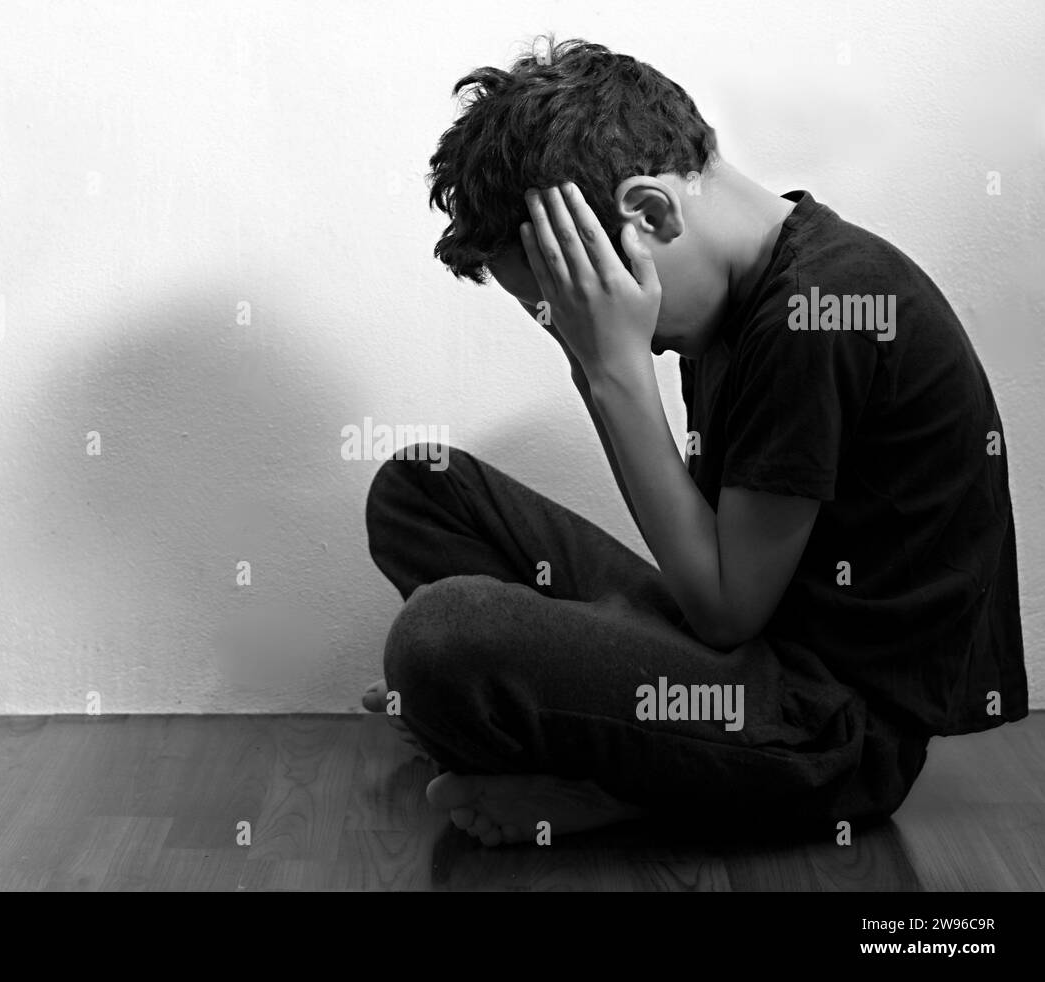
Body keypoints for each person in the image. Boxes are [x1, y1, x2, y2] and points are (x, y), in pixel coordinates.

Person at [362, 36, 1027, 847]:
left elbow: (722, 612)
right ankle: (583, 743)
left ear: (649, 215)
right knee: (420, 489)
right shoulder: (740, 299)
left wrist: (611, 374)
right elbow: (711, 590)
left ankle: (616, 779)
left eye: (579, 304)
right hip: (739, 661)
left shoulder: (820, 307)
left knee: (441, 639)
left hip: (828, 738)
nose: (608, 337)